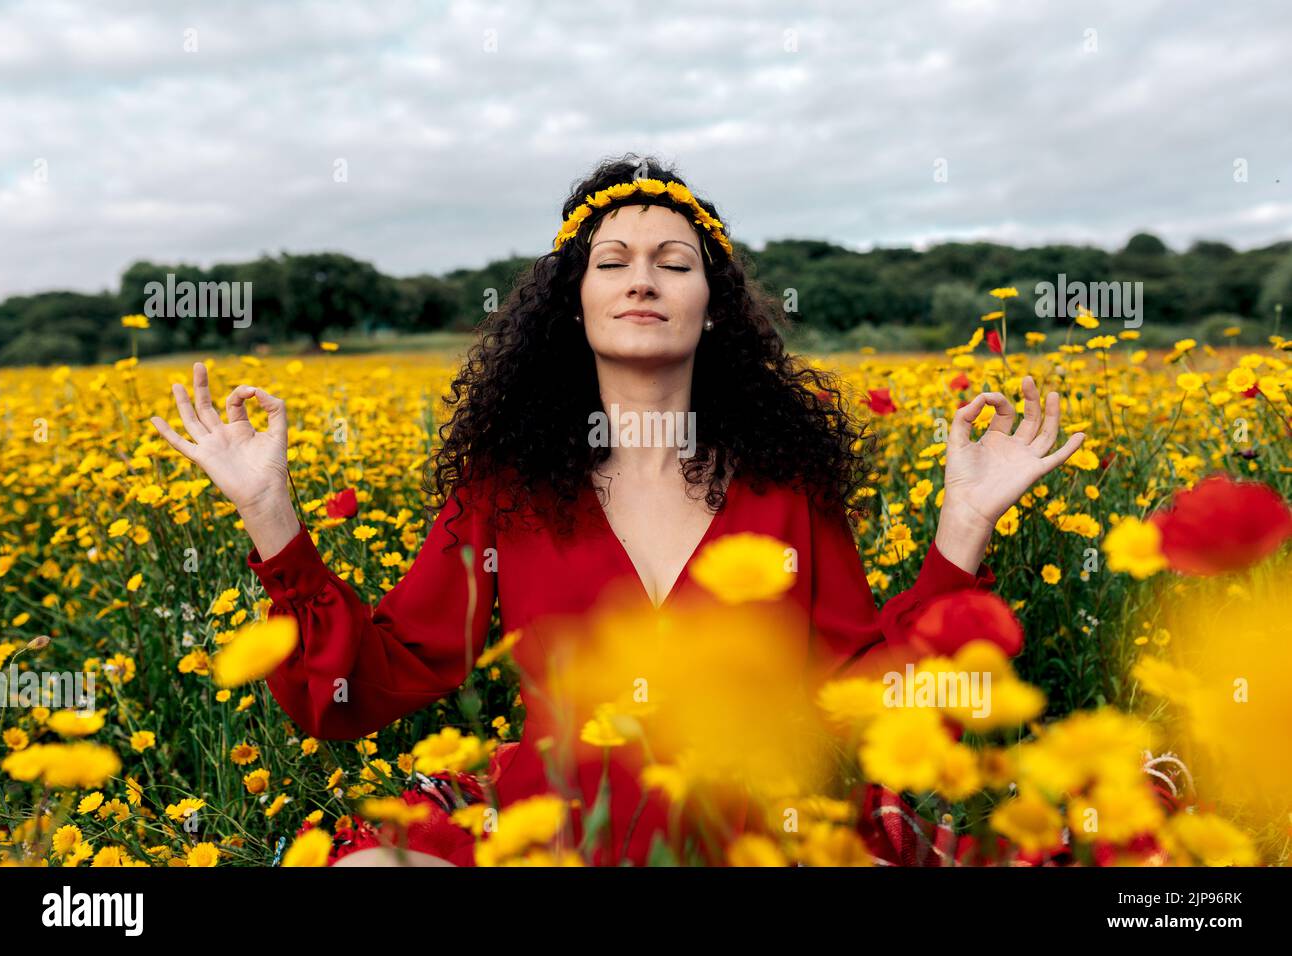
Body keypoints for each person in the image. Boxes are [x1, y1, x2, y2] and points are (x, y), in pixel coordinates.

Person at [150, 153, 1085, 866]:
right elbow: (365, 687)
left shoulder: (784, 486)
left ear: (712, 306)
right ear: (578, 303)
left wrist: (964, 525)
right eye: (614, 261)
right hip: (546, 830)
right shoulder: (504, 488)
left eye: (674, 263)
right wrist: (272, 513)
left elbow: (862, 699)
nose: (643, 279)